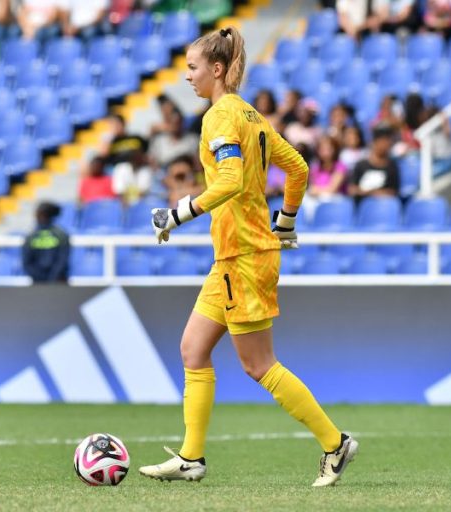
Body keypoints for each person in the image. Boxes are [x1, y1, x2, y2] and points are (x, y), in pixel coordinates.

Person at [139, 27, 357, 487]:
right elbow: (297, 168)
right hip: (236, 256)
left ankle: (335, 444)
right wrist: (287, 223)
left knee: (258, 365)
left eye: (193, 68)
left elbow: (231, 181)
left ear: (216, 69)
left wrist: (175, 215)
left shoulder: (219, 117)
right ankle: (191, 458)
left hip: (244, 257)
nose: (187, 77)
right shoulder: (253, 116)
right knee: (193, 349)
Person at [349, 123, 400, 201]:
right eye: (382, 141)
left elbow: (393, 192)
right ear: (374, 142)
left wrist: (370, 192)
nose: (385, 145)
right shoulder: (361, 165)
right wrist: (372, 193)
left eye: (387, 141)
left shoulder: (392, 167)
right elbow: (352, 189)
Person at [22, 201, 70, 283]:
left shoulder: (61, 235)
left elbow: (62, 260)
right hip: (37, 282)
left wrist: (51, 278)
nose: (38, 217)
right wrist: (39, 278)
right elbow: (27, 262)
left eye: (40, 214)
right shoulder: (31, 236)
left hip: (58, 282)